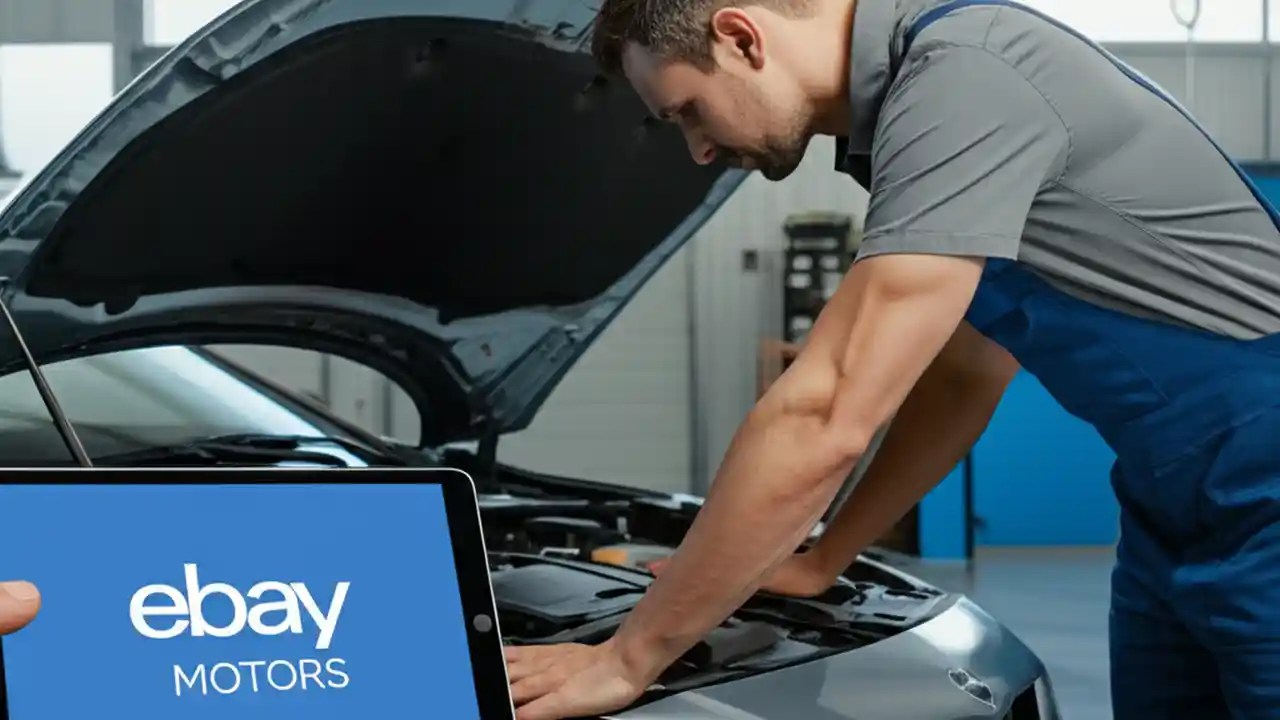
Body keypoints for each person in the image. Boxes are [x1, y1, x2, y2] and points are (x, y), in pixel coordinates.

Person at [503, 0, 1280, 718]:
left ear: (741, 37)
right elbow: (967, 372)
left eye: (687, 112)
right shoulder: (915, 105)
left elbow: (825, 408)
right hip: (1175, 509)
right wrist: (824, 556)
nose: (698, 150)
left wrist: (628, 659)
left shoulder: (967, 78)